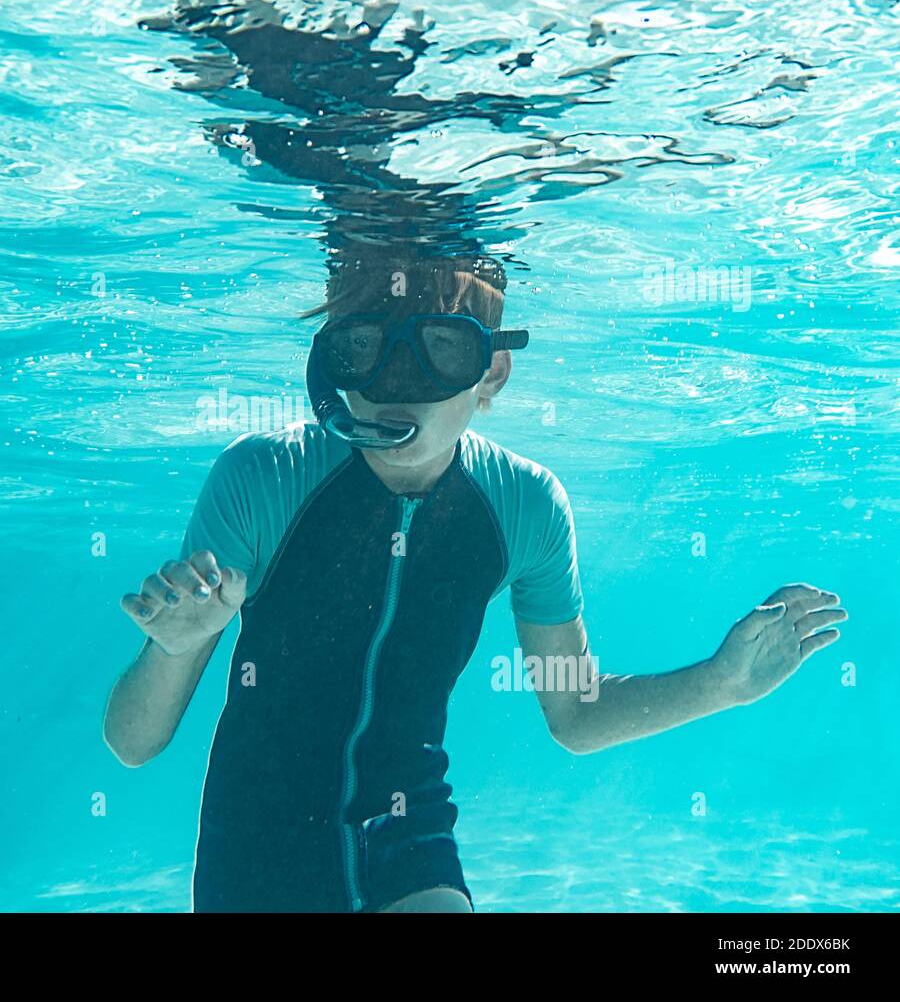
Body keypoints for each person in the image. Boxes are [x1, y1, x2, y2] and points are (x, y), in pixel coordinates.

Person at [102, 248, 847, 913]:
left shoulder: (523, 506)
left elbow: (577, 714)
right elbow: (133, 744)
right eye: (364, 349)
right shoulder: (264, 477)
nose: (398, 387)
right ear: (331, 367)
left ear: (491, 371)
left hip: (409, 832)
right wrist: (173, 648)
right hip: (255, 850)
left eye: (440, 351)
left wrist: (722, 683)